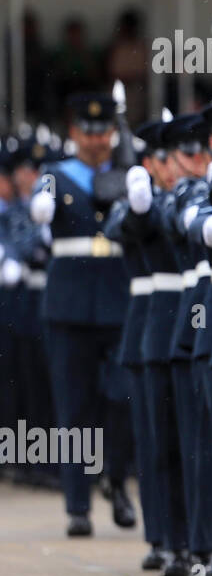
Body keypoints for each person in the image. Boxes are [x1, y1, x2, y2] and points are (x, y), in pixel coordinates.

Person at [30, 92, 133, 536]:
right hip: (70, 301)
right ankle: (77, 504)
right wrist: (41, 206)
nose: (96, 141)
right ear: (74, 134)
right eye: (88, 132)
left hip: (117, 296)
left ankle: (117, 479)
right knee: (73, 406)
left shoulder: (129, 172)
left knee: (121, 398)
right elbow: (42, 196)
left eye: (103, 131)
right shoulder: (56, 174)